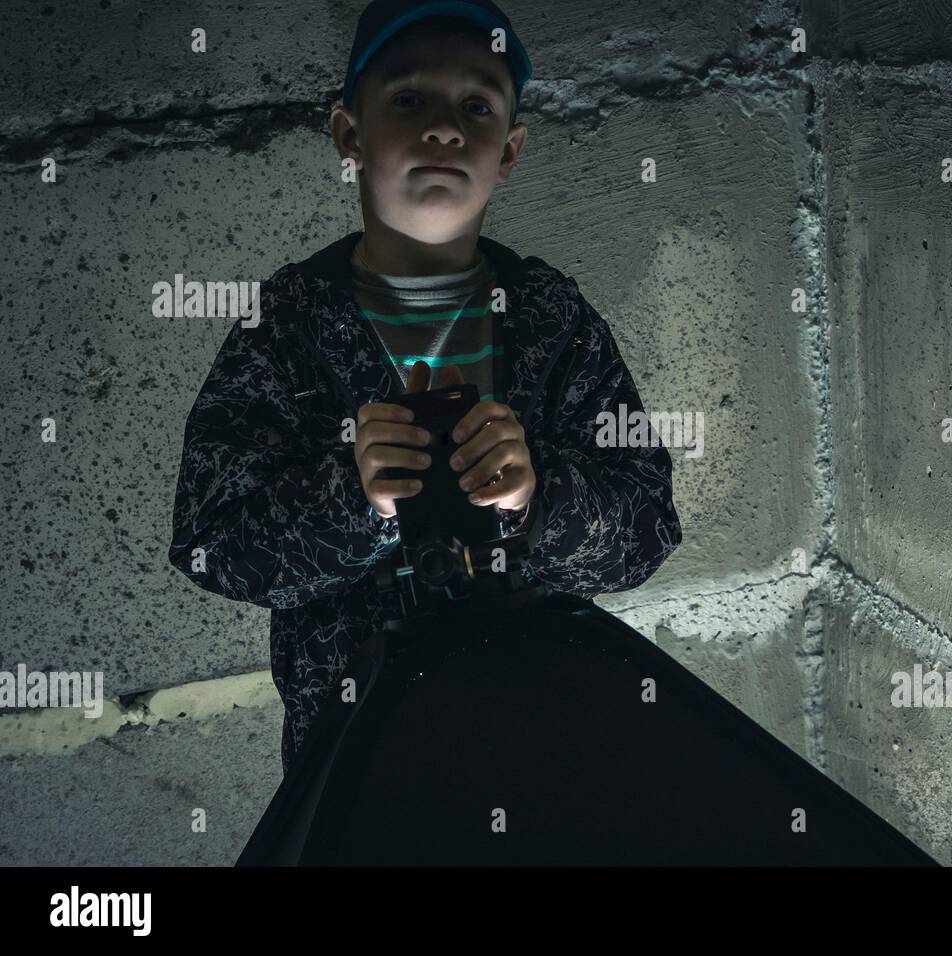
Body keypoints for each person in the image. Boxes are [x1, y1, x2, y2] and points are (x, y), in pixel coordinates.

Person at [167, 0, 683, 775]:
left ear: (508, 151)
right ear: (349, 135)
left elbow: (647, 530)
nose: (445, 128)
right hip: (363, 758)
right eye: (410, 100)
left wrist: (539, 499)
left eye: (476, 106)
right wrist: (355, 499)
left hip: (546, 739)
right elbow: (212, 547)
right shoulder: (285, 325)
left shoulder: (549, 316)